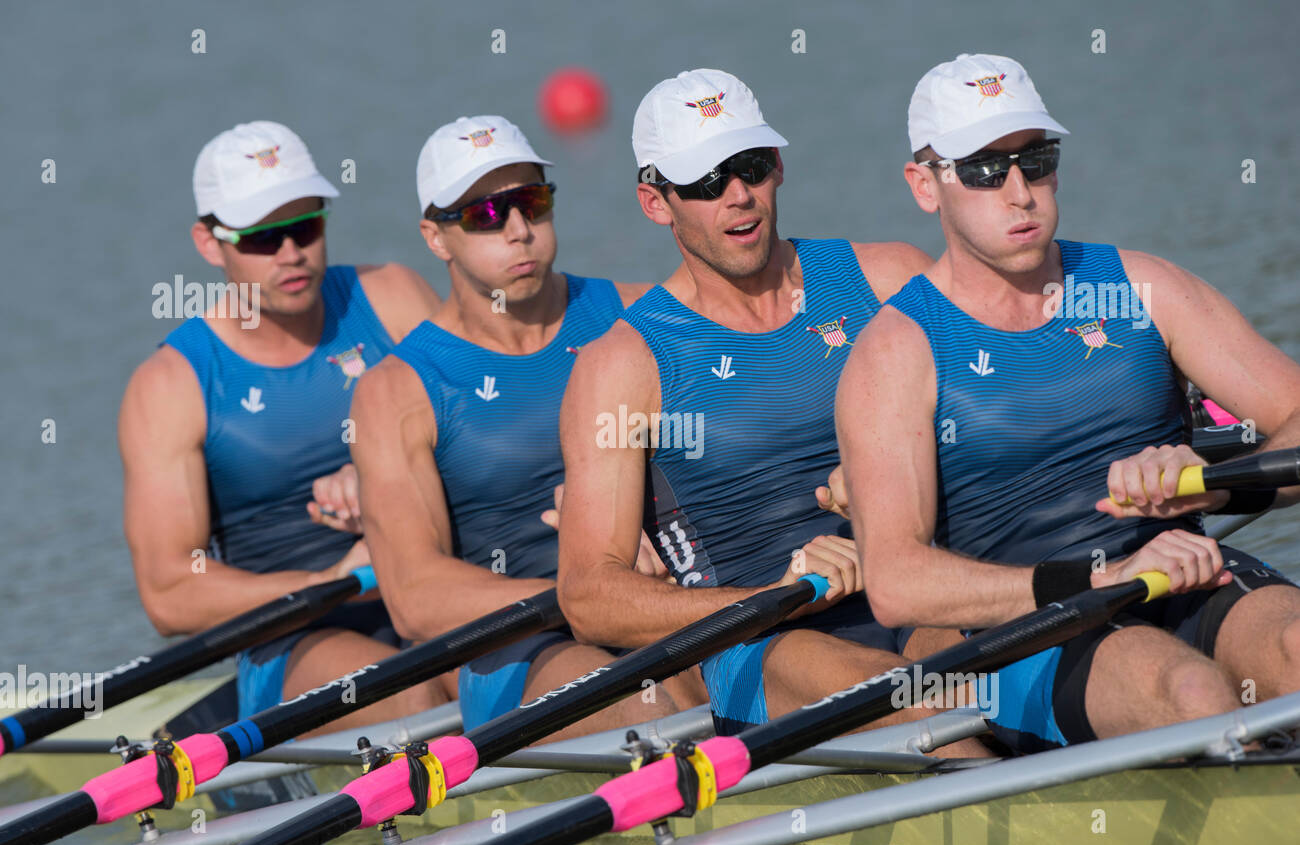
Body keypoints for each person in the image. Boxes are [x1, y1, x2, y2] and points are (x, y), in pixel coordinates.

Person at [837, 54, 1300, 753]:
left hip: (1186, 574)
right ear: (926, 185)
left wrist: (1210, 489)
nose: (1020, 192)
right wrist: (1099, 577)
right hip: (1024, 631)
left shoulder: (1143, 288)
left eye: (1037, 159)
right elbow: (897, 581)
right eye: (986, 170)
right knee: (1192, 694)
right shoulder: (895, 352)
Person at [555, 69, 986, 754]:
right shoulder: (623, 363)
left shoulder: (889, 278)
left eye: (751, 166)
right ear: (655, 202)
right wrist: (779, 593)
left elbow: (1003, 417)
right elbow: (587, 595)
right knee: (921, 708)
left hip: (913, 586)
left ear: (778, 166)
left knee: (985, 686)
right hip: (760, 638)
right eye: (705, 181)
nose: (738, 195)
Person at [349, 116, 705, 741]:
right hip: (518, 644)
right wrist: (591, 589)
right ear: (436, 237)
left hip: (668, 596)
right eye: (487, 213)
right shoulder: (398, 389)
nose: (520, 230)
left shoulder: (639, 310)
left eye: (532, 201)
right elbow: (411, 594)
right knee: (653, 711)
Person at [120, 121, 447, 729]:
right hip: (297, 634)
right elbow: (168, 592)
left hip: (432, 580)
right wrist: (331, 581)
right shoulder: (171, 385)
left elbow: (484, 427)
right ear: (209, 243)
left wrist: (387, 472)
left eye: (304, 226)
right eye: (262, 238)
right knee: (417, 697)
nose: (291, 253)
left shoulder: (393, 297)